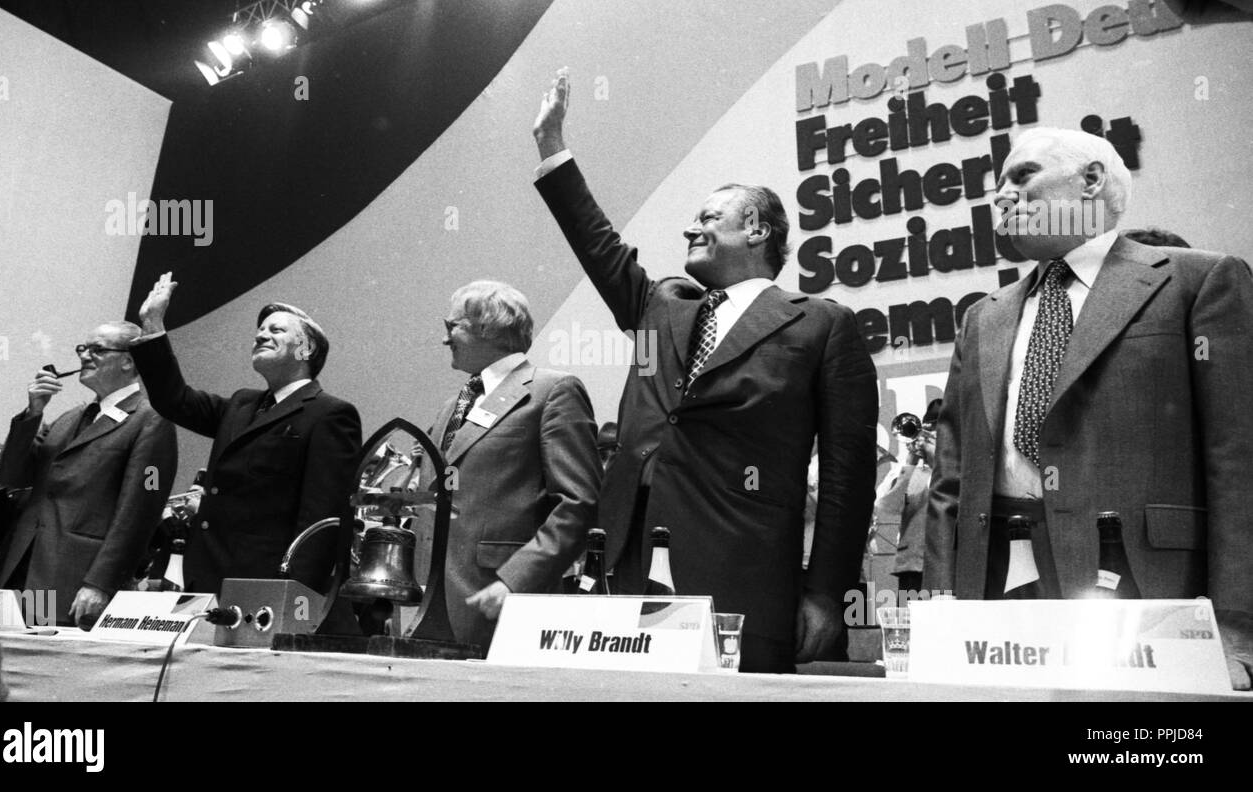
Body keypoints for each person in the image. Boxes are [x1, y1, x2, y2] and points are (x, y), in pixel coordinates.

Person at [532, 69, 878, 672]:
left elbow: (848, 480)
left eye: (709, 216)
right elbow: (598, 244)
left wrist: (827, 593)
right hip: (627, 563)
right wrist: (552, 148)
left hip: (740, 575)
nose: (692, 226)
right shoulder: (660, 303)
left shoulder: (822, 324)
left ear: (755, 229)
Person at [924, 127, 1253, 689]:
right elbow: (950, 479)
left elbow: (1239, 461)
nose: (1001, 196)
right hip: (994, 585)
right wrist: (937, 609)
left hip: (1146, 578)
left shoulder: (1197, 281)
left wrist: (1237, 624)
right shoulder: (984, 316)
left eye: (1022, 176)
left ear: (1091, 180)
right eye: (997, 184)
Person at [131, 273, 362, 595]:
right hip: (205, 578)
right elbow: (174, 400)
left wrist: (296, 595)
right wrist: (153, 324)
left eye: (276, 330)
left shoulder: (330, 414)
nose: (260, 336)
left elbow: (320, 520)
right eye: (259, 331)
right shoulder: (241, 404)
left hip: (265, 585)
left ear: (306, 349)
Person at [428, 281, 601, 649]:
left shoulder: (553, 391)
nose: (445, 340)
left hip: (501, 601)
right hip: (429, 603)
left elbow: (577, 503)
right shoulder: (451, 404)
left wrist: (516, 581)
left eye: (451, 326)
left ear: (485, 328)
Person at [0, 322, 178, 627]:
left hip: (74, 578)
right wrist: (33, 413)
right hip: (24, 569)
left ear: (129, 361)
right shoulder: (68, 418)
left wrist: (101, 583)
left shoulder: (152, 421)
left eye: (98, 349)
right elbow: (12, 476)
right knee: (15, 658)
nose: (85, 356)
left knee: (42, 662)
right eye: (83, 349)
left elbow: (141, 512)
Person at [882, 402, 939, 595]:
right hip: (912, 565)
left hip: (947, 563)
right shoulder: (909, 470)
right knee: (909, 624)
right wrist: (909, 465)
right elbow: (885, 506)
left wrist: (936, 461)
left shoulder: (960, 468)